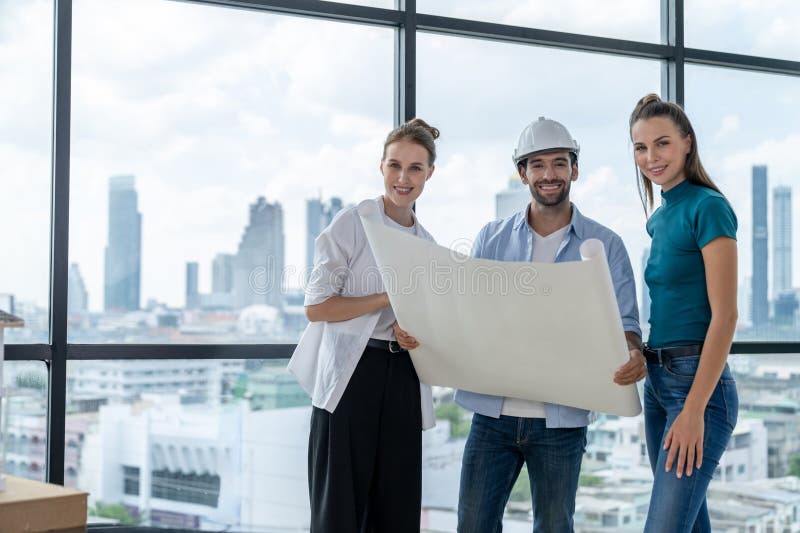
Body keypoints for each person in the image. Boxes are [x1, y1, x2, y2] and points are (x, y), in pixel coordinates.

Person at [397, 117, 646, 532]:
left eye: (559, 163)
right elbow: (466, 314)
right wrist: (422, 330)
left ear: (574, 170)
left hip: (562, 420)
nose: (549, 174)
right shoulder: (491, 239)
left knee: (553, 526)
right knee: (474, 524)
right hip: (491, 415)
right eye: (538, 164)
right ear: (523, 173)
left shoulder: (606, 245)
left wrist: (633, 350)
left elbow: (626, 325)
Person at [288, 118, 440, 532]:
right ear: (381, 167)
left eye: (414, 168)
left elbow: (420, 320)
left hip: (403, 377)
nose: (403, 178)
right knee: (339, 508)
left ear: (429, 173)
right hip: (353, 376)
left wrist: (412, 333)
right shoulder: (354, 222)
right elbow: (316, 307)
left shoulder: (426, 243)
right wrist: (386, 298)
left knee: (396, 506)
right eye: (395, 165)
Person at [630, 94, 739, 532]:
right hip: (658, 383)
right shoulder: (658, 219)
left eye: (662, 144)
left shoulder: (708, 207)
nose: (651, 157)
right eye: (640, 148)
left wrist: (694, 409)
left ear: (687, 144)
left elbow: (726, 316)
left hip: (697, 390)